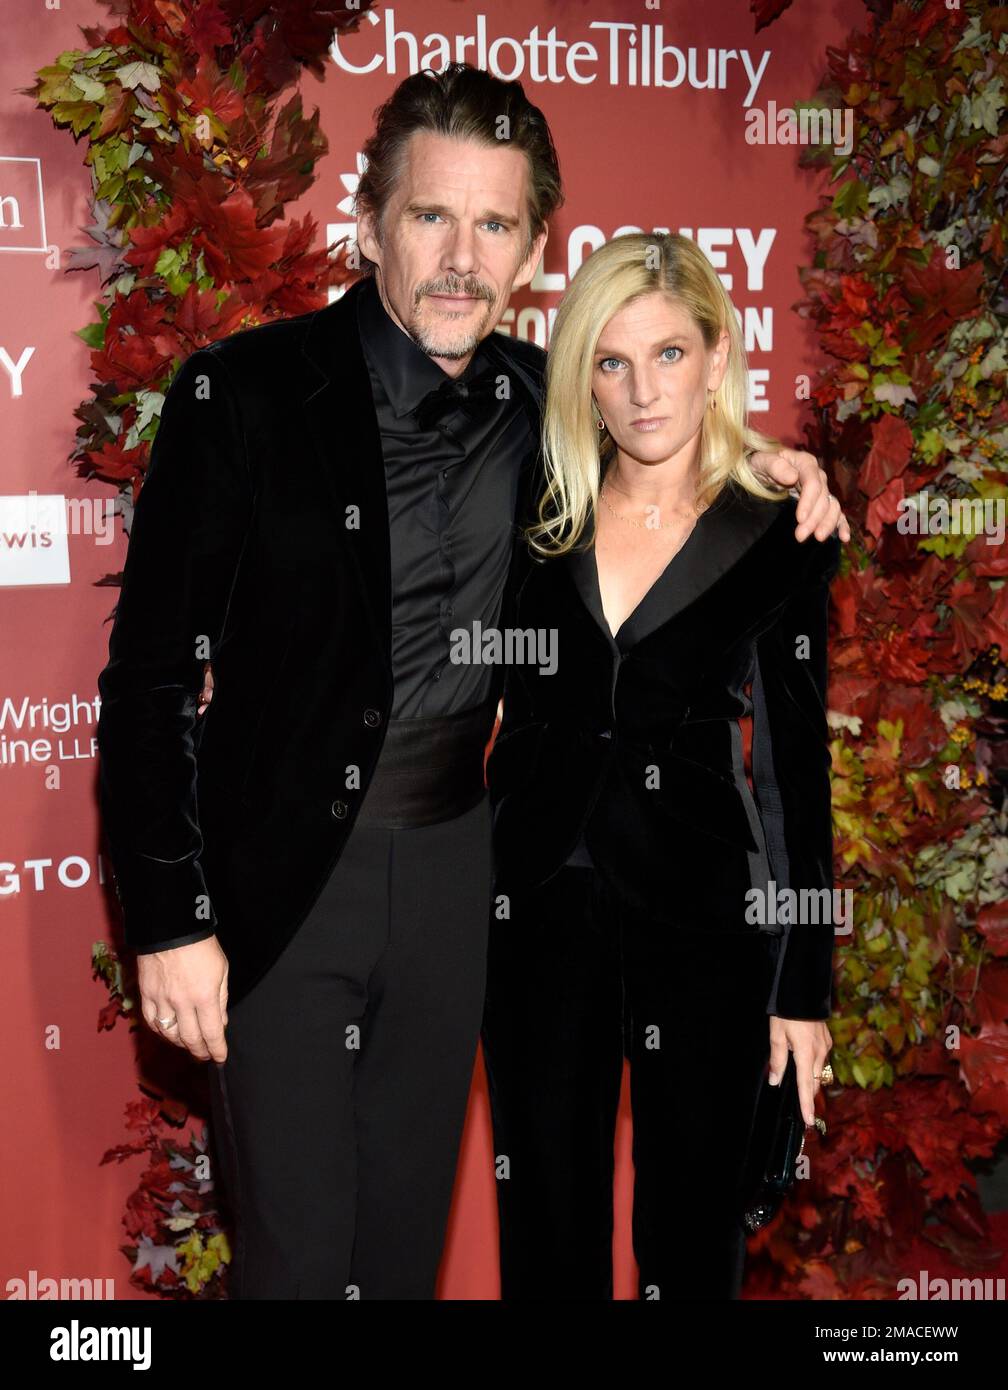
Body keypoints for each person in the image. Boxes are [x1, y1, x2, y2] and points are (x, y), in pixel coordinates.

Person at [95, 65, 847, 1301]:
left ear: (534, 248)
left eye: (494, 225)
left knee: (400, 1259)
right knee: (295, 1266)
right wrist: (171, 921)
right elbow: (146, 686)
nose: (460, 257)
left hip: (459, 881)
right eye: (431, 217)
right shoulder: (244, 397)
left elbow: (661, 418)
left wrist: (769, 459)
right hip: (286, 881)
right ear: (372, 222)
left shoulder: (532, 405)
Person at [480, 231, 841, 1301]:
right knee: (545, 1228)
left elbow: (795, 776)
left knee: (692, 1245)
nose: (644, 392)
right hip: (536, 913)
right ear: (580, 374)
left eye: (671, 355)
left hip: (703, 929)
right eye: (611, 361)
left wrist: (804, 988)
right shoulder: (535, 506)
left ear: (719, 356)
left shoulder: (783, 531)